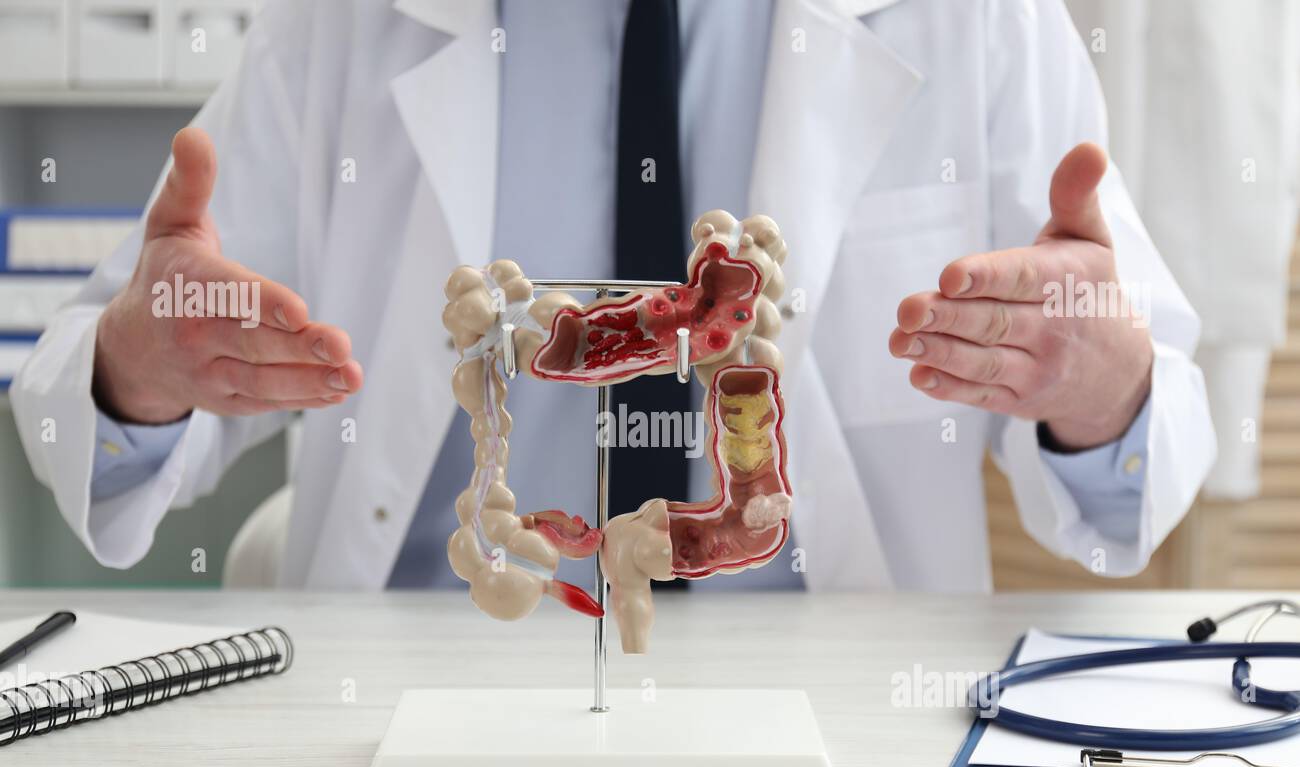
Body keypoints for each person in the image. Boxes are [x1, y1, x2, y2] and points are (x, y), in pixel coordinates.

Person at [11, 0, 1215, 593]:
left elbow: (1143, 454)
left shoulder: (971, 21)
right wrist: (136, 373)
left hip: (824, 700)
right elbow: (85, 414)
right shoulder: (346, 26)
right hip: (430, 686)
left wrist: (1101, 393)